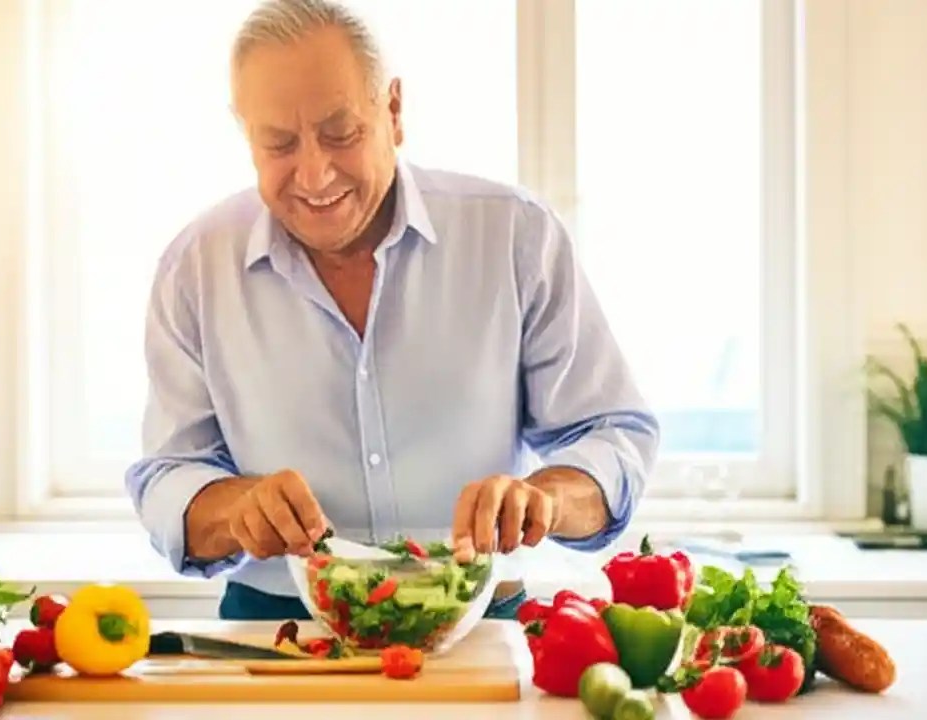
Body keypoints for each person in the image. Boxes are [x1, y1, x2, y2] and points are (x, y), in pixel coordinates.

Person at [124, 0, 659, 622]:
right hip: (277, 631)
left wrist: (544, 500)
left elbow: (612, 433)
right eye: (279, 144)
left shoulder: (516, 235)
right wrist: (233, 508)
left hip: (482, 623)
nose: (314, 172)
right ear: (246, 134)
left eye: (340, 133)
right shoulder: (194, 266)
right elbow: (167, 475)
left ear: (394, 111)